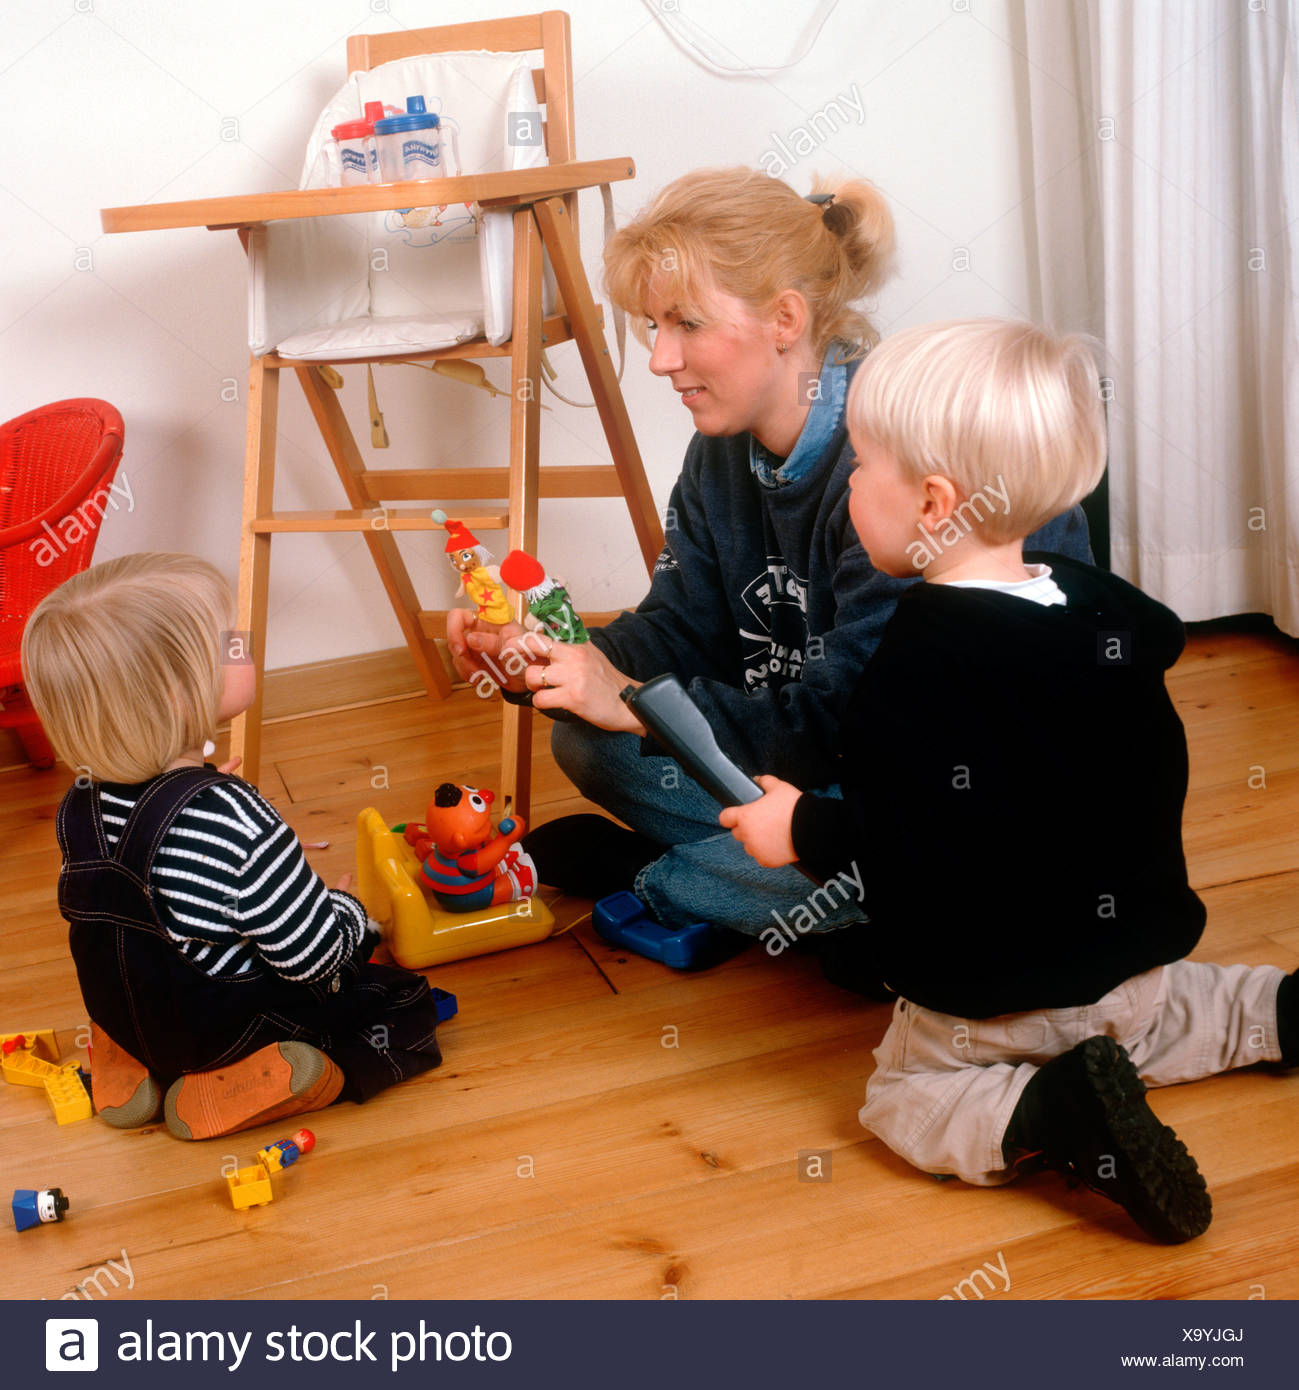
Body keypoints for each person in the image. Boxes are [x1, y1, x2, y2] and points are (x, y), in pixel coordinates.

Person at [720, 318, 1298, 1241]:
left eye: (863, 466)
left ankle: (1051, 1115)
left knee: (899, 1102)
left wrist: (802, 833)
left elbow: (916, 836)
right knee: (1191, 1005)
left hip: (991, 1004)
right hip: (1132, 973)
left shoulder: (919, 658)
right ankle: (1279, 1014)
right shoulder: (1096, 610)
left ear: (936, 502)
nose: (850, 487)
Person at [447, 167, 1092, 950]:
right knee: (584, 739)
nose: (659, 358)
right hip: (807, 770)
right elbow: (680, 626)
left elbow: (852, 724)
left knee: (915, 856)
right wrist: (559, 661)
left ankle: (673, 882)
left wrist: (623, 696)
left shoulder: (894, 473)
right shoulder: (718, 455)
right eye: (654, 326)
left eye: (684, 323)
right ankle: (783, 891)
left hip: (917, 784)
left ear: (785, 318)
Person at [22, 553, 447, 1140]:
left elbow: (147, 880)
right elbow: (311, 957)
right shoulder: (235, 818)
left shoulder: (80, 803)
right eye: (230, 643)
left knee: (153, 987)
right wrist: (351, 916)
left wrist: (190, 802)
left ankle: (128, 1060)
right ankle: (260, 1080)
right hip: (221, 1029)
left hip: (125, 1010)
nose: (244, 643)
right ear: (178, 695)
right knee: (401, 1005)